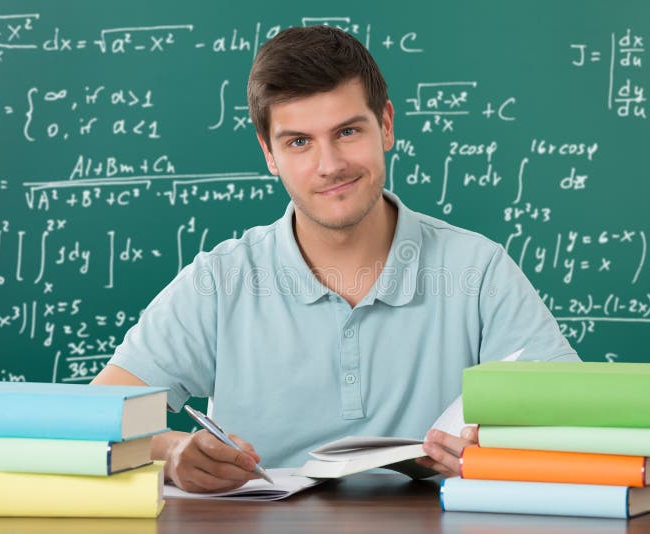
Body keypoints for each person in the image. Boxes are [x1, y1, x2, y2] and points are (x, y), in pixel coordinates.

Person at [92, 26, 578, 492]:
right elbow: (93, 418)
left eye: (347, 131)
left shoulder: (479, 270)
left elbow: (573, 418)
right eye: (298, 142)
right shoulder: (219, 283)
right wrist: (173, 454)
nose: (329, 166)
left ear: (386, 125)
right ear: (269, 153)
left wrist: (497, 449)